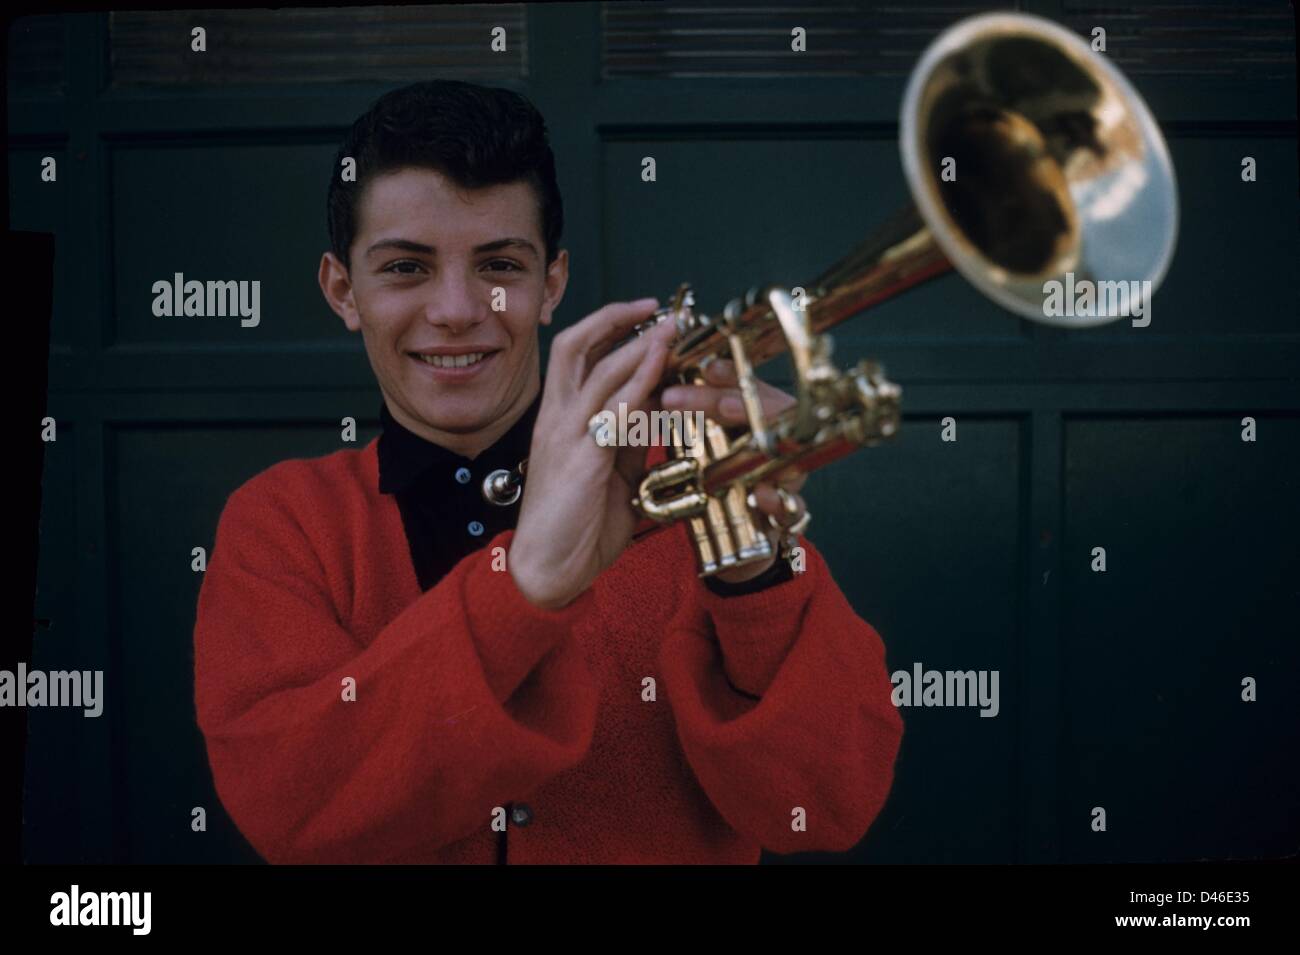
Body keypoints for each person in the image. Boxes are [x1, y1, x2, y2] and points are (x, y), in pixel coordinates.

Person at [192, 79, 903, 864]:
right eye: (405, 268)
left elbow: (826, 806)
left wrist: (752, 578)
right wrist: (522, 589)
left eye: (499, 262)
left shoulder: (687, 477)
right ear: (342, 289)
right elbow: (292, 810)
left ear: (551, 285)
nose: (458, 308)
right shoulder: (281, 522)